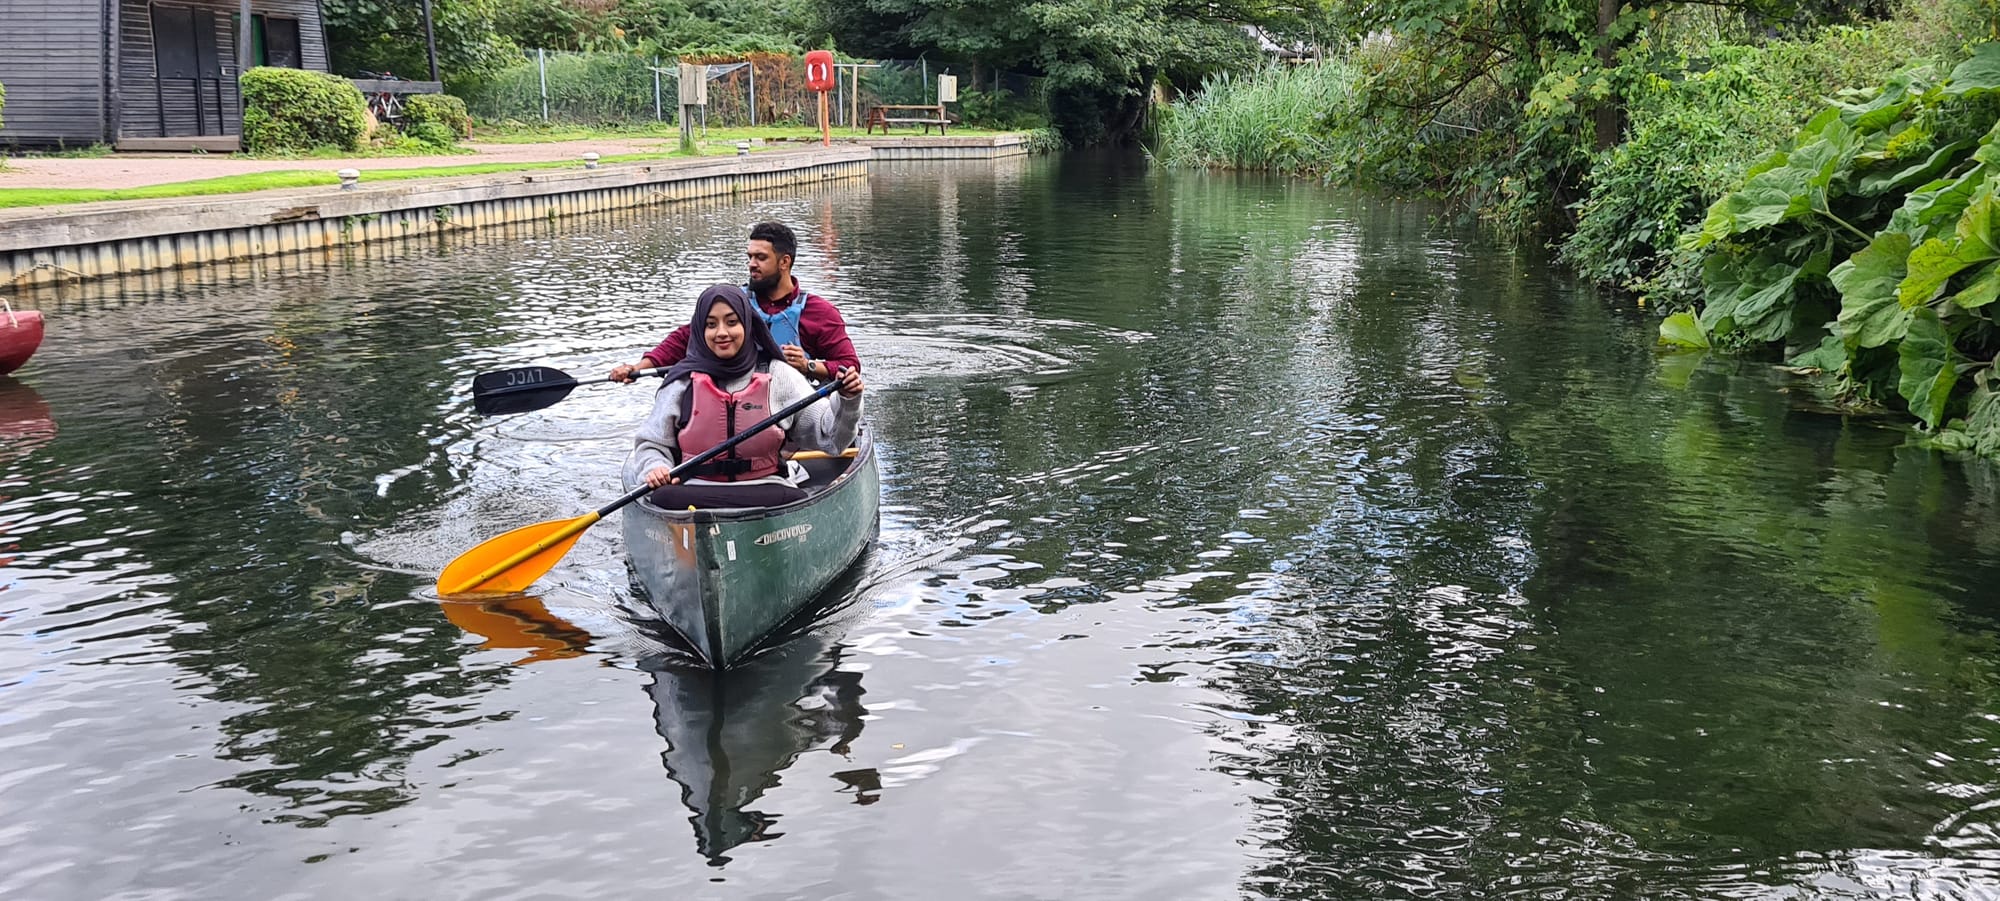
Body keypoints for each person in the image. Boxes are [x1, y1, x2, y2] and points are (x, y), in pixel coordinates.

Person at [631, 283, 863, 510]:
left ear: (747, 325)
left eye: (732, 322)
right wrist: (655, 467)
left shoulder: (778, 375)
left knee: (796, 500)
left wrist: (848, 400)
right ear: (701, 331)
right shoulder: (682, 381)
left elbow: (832, 440)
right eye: (711, 325)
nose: (721, 332)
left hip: (766, 489)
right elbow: (651, 443)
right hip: (695, 490)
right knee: (663, 497)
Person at [611, 221, 860, 385]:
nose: (752, 264)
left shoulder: (819, 312)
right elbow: (683, 339)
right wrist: (638, 367)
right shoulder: (732, 305)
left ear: (785, 262)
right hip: (735, 402)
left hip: (793, 408)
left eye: (761, 258)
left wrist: (809, 365)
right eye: (750, 257)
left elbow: (850, 366)